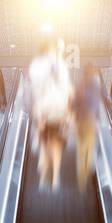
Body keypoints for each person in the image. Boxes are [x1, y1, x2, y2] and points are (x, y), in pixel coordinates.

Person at [28, 37, 74, 190]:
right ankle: (53, 179)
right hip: (54, 112)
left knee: (48, 146)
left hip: (49, 113)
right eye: (58, 48)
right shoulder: (55, 65)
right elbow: (67, 91)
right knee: (53, 146)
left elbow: (38, 91)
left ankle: (47, 179)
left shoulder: (40, 66)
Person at [72, 64, 102, 191]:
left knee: (81, 146)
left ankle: (81, 178)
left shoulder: (80, 84)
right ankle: (88, 164)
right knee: (89, 143)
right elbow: (105, 97)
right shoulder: (97, 83)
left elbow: (73, 103)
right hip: (91, 119)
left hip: (80, 119)